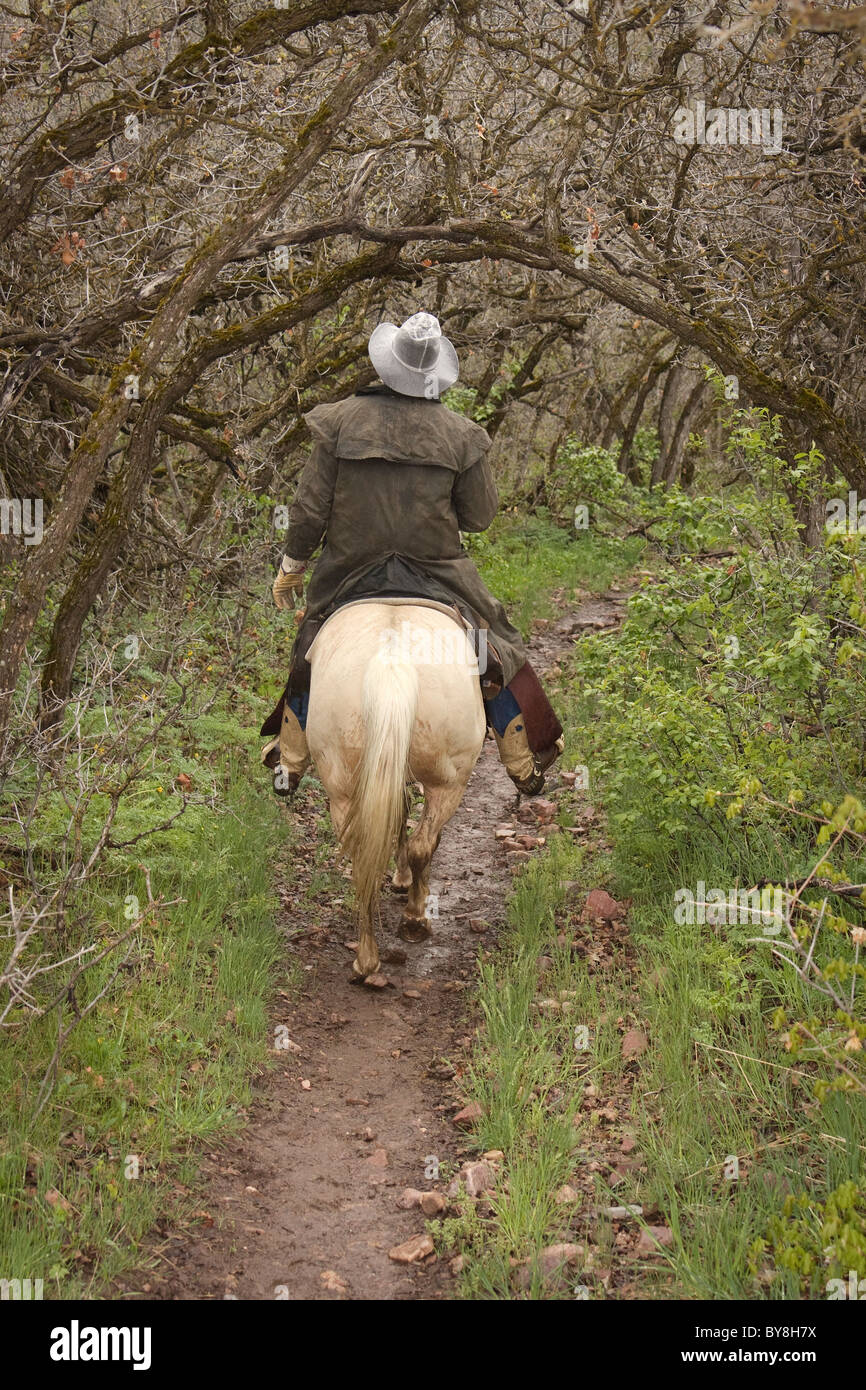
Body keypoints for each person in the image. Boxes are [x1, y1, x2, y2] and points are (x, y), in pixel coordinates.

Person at [261, 311, 563, 798]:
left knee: (313, 641)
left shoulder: (337, 422)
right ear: (433, 374)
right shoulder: (461, 435)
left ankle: (291, 759)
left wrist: (292, 567)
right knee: (494, 644)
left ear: (386, 366)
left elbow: (309, 511)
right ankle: (520, 758)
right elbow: (480, 517)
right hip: (437, 573)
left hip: (349, 572)